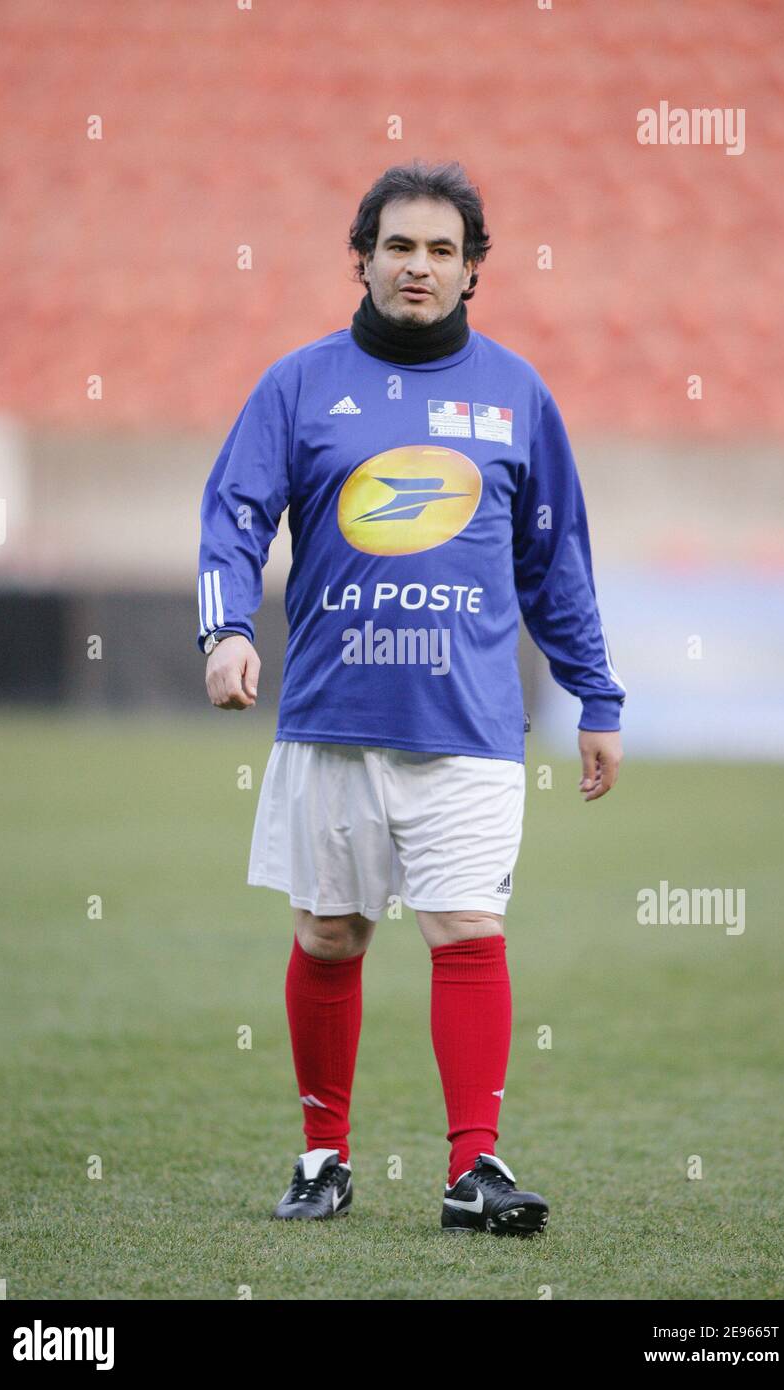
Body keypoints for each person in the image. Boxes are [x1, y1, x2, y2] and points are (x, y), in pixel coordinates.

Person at [196, 159, 625, 1237]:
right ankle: (321, 1156)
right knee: (330, 936)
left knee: (466, 929)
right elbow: (234, 512)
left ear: (472, 269)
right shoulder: (298, 384)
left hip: (469, 726)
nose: (418, 266)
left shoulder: (517, 394)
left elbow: (554, 560)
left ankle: (473, 1168)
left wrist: (596, 695)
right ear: (362, 257)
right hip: (334, 719)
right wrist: (227, 628)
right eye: (398, 246)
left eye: (441, 249)